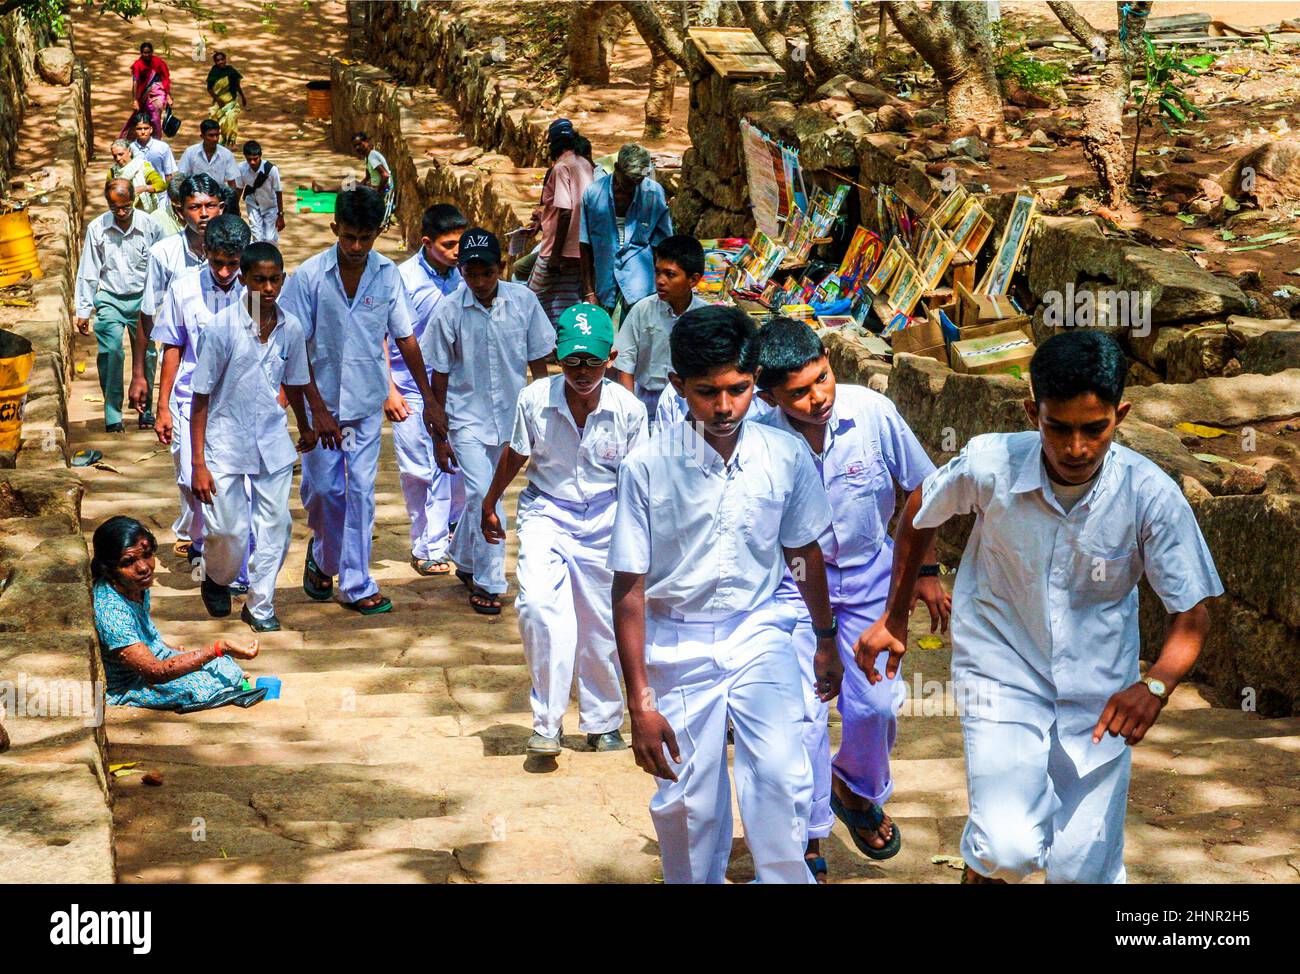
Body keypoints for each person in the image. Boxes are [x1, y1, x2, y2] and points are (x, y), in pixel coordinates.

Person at [856, 330, 1223, 884]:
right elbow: (918, 511)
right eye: (1059, 428)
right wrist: (894, 617)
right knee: (1008, 848)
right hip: (1000, 672)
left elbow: (1192, 612)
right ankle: (984, 862)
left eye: (1094, 429)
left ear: (1119, 416)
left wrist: (1155, 685)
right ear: (1033, 413)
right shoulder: (990, 463)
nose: (1076, 448)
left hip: (1100, 695)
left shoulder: (1151, 495)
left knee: (1082, 874)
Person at [609, 304, 842, 885]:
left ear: (754, 385)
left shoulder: (783, 456)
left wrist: (825, 638)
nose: (723, 407)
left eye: (738, 390)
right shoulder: (646, 466)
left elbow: (804, 554)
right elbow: (630, 587)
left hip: (759, 630)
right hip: (676, 640)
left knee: (784, 777)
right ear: (678, 387)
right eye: (707, 392)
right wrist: (639, 700)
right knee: (689, 801)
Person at [755, 317, 948, 883]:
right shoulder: (759, 435)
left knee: (878, 705)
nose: (817, 398)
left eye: (823, 378)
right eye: (798, 392)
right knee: (805, 715)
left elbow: (921, 487)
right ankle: (809, 830)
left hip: (871, 576)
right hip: (790, 586)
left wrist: (925, 571)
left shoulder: (871, 411)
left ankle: (855, 788)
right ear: (769, 395)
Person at [482, 304, 645, 755]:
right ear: (557, 356)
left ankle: (603, 720)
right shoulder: (534, 399)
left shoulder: (628, 410)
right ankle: (547, 724)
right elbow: (517, 452)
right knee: (538, 607)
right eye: (572, 360)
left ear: (610, 358)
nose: (582, 371)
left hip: (606, 516)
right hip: (547, 511)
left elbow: (638, 478)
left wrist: (645, 534)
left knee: (599, 622)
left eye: (592, 361)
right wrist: (490, 500)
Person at [279, 187, 438, 616]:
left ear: (376, 235)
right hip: (318, 405)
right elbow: (293, 346)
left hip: (366, 404)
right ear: (335, 229)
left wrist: (428, 398)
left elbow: (405, 337)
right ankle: (324, 555)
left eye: (365, 238)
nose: (355, 247)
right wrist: (319, 410)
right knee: (326, 492)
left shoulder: (388, 276)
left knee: (361, 494)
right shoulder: (309, 278)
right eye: (348, 237)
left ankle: (355, 582)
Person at [190, 242, 333, 632]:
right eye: (259, 280)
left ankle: (261, 605)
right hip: (225, 442)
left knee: (277, 526)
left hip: (271, 441)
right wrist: (198, 462)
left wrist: (305, 426)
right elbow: (200, 396)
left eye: (274, 280)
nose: (267, 289)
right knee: (228, 530)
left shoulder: (292, 327)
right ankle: (217, 577)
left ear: (283, 280)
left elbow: (298, 381)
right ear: (244, 280)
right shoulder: (221, 330)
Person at [423, 227, 554, 615]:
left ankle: (463, 555)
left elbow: (538, 361)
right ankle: (489, 581)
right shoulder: (449, 311)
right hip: (465, 420)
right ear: (460, 271)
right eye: (470, 273)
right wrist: (439, 432)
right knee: (486, 494)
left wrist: (543, 411)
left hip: (511, 418)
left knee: (483, 495)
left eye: (487, 273)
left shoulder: (524, 302)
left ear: (502, 267)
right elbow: (440, 375)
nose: (479, 282)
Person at [151, 213, 251, 592]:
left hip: (240, 402)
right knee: (192, 479)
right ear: (205, 252)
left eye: (233, 263)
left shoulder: (254, 289)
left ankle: (234, 568)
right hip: (189, 400)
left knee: (241, 488)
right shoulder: (184, 289)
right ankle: (199, 542)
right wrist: (163, 407)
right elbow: (173, 347)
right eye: (218, 262)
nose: (226, 272)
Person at [92, 516, 259, 711]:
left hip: (155, 657)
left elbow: (146, 634)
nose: (144, 567)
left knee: (225, 667)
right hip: (131, 682)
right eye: (129, 562)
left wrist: (172, 651)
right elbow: (154, 672)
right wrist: (217, 648)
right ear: (109, 569)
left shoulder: (134, 584)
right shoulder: (111, 610)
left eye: (146, 555)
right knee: (201, 685)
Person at [133, 173, 226, 505]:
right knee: (188, 470)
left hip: (231, 378)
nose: (202, 214)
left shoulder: (238, 253)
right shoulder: (163, 254)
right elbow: (147, 314)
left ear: (221, 208)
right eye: (194, 207)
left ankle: (213, 544)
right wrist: (140, 374)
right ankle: (197, 536)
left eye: (209, 206)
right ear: (179, 210)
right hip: (185, 375)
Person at [390, 203, 468, 577]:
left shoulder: (467, 275)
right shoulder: (402, 279)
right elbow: (380, 335)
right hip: (409, 387)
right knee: (418, 469)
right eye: (448, 245)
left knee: (455, 466)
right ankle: (425, 541)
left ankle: (442, 534)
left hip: (454, 386)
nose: (456, 252)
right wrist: (388, 388)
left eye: (460, 244)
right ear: (426, 242)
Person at [74, 179, 166, 432]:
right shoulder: (97, 228)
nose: (122, 213)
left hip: (143, 300)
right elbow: (89, 270)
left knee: (147, 355)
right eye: (116, 209)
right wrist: (83, 309)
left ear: (133, 201)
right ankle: (112, 414)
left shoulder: (150, 226)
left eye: (126, 207)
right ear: (109, 205)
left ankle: (145, 410)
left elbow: (163, 265)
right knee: (111, 353)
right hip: (110, 298)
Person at [612, 235, 707, 421]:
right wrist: (631, 410)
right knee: (646, 447)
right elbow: (625, 362)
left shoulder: (705, 316)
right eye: (657, 272)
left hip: (690, 403)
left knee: (689, 446)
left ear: (693, 280)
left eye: (670, 274)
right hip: (646, 401)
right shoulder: (642, 310)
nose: (660, 281)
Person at [580, 142, 673, 322]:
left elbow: (662, 246)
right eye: (629, 181)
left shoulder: (653, 193)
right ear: (616, 169)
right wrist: (588, 291)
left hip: (641, 285)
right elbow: (584, 244)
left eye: (637, 181)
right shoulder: (593, 194)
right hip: (604, 284)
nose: (633, 186)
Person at [527, 119, 593, 326]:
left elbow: (565, 211)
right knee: (566, 298)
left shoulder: (562, 167)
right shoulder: (585, 164)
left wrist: (555, 255)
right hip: (580, 246)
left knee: (532, 296)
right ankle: (561, 338)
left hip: (557, 247)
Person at [107, 138, 178, 234]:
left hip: (145, 215)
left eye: (121, 154)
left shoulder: (142, 167)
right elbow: (109, 195)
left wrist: (143, 188)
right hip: (123, 216)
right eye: (114, 156)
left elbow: (161, 185)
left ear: (129, 151)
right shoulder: (113, 172)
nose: (118, 159)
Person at [177, 120, 240, 211]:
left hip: (218, 200)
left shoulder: (226, 154)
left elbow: (232, 183)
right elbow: (181, 177)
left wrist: (232, 206)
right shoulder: (190, 153)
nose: (215, 139)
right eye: (211, 135)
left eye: (217, 135)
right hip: (195, 200)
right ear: (202, 136)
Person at [119, 41, 172, 141]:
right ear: (141, 53)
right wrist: (135, 100)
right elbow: (135, 82)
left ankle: (157, 140)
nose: (146, 55)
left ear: (152, 52)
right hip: (143, 96)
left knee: (155, 117)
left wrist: (168, 95)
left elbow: (165, 79)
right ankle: (136, 140)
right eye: (144, 53)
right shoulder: (137, 65)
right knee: (142, 118)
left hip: (158, 93)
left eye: (148, 52)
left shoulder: (159, 63)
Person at [238, 141, 284, 244]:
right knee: (257, 237)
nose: (252, 162)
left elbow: (278, 191)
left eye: (255, 159)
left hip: (270, 206)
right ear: (245, 157)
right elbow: (239, 189)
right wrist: (234, 208)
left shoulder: (271, 170)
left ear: (260, 156)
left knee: (270, 239)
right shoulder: (241, 168)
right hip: (253, 205)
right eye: (249, 159)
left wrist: (280, 215)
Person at [352, 132, 395, 230]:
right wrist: (358, 185)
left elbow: (385, 175)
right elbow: (367, 177)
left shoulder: (372, 156)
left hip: (383, 188)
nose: (357, 148)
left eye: (360, 144)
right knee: (350, 186)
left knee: (351, 194)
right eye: (355, 146)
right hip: (375, 186)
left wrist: (377, 191)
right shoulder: (368, 157)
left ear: (367, 142)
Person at [205, 51, 246, 149]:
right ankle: (220, 142)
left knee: (232, 119)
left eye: (222, 59)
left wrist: (243, 96)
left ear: (225, 59)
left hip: (231, 101)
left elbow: (237, 85)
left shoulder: (231, 71)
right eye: (218, 60)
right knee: (221, 123)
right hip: (219, 103)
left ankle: (232, 143)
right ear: (215, 62)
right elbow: (209, 88)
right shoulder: (213, 73)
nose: (220, 62)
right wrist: (217, 99)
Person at [128, 111, 177, 186]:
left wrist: (169, 194)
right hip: (138, 195)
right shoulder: (129, 149)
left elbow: (169, 175)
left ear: (151, 129)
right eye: (139, 129)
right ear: (134, 130)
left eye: (146, 128)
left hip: (161, 196)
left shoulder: (162, 147)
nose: (143, 132)